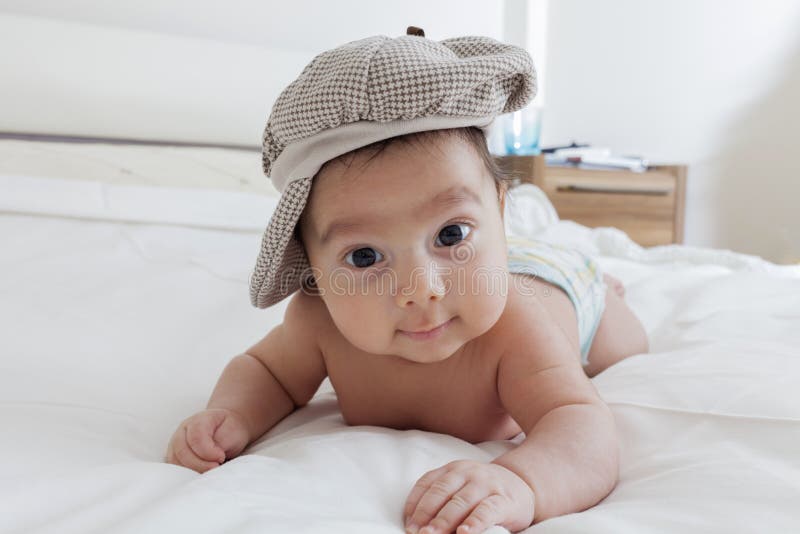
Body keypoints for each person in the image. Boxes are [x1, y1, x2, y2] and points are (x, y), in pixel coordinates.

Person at [165, 27, 648, 534]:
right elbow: (266, 371)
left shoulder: (515, 325)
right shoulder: (318, 320)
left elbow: (581, 423)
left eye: (450, 232)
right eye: (365, 256)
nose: (421, 287)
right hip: (487, 267)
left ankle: (602, 283)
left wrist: (523, 481)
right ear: (313, 268)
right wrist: (232, 414)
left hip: (557, 285)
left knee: (626, 347)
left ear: (501, 211)